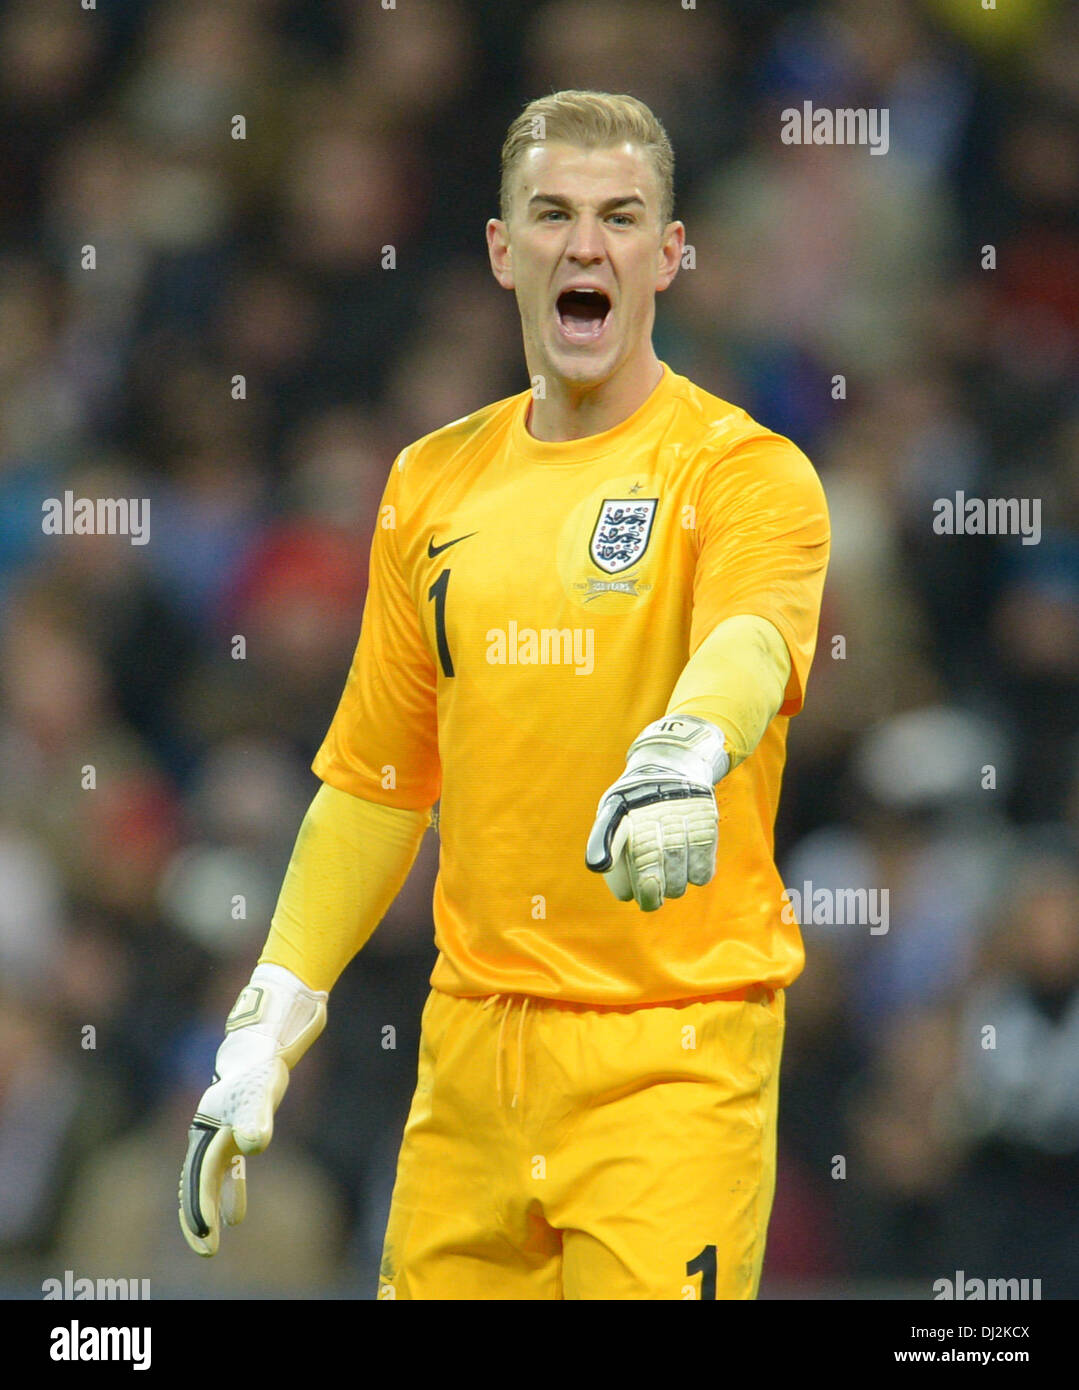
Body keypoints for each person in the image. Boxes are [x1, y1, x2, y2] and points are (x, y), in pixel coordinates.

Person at [178, 89, 830, 1300]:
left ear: (668, 256)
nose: (585, 245)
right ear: (500, 250)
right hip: (469, 1054)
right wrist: (267, 1021)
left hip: (670, 1054)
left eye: (621, 217)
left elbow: (748, 643)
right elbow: (376, 785)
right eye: (552, 214)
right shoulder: (428, 485)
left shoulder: (744, 472)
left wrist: (684, 751)